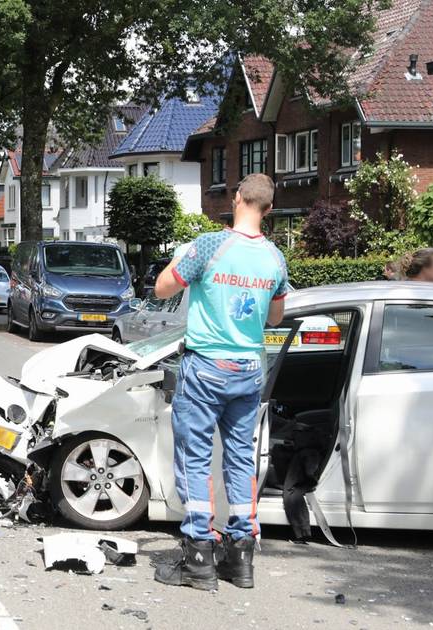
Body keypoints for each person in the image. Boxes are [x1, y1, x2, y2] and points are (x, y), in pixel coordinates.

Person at [151, 173, 288, 591]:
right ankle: (241, 558)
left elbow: (161, 289)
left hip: (207, 365)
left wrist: (181, 259)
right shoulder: (275, 258)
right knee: (241, 459)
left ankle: (198, 560)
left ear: (236, 197)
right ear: (268, 208)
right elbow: (276, 318)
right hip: (249, 369)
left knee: (195, 458)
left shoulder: (209, 245)